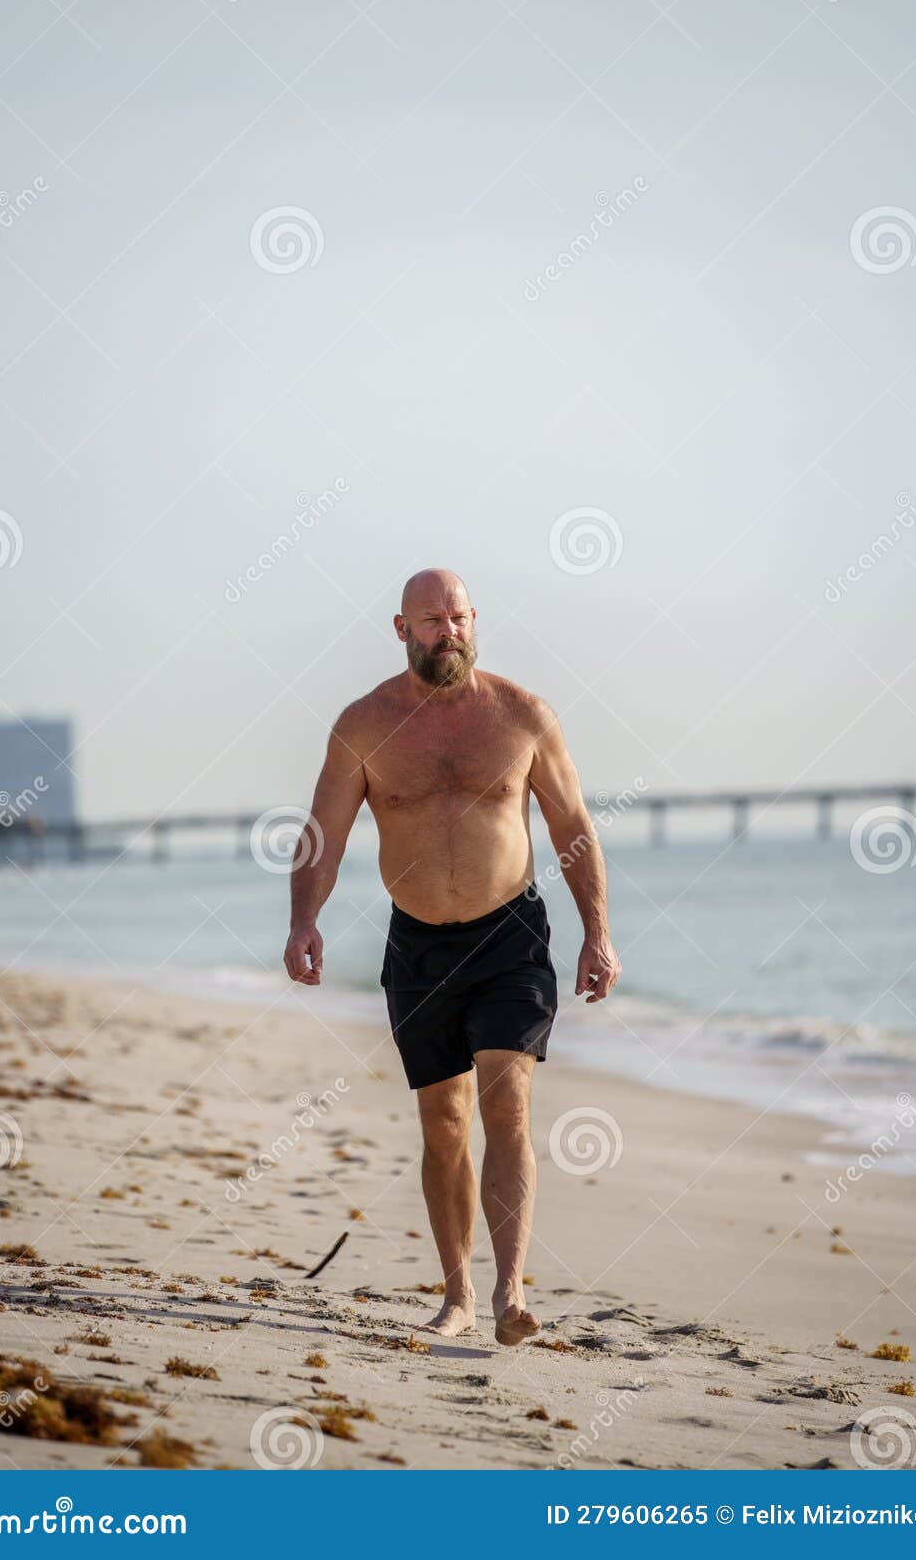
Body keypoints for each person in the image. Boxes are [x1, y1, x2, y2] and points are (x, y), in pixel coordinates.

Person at [283, 568, 620, 1344]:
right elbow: (322, 837)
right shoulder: (362, 726)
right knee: (442, 1122)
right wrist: (304, 921)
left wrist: (596, 932)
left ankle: (509, 1294)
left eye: (460, 618)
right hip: (419, 944)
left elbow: (572, 829)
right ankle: (457, 1295)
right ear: (401, 629)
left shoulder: (523, 717)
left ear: (477, 621)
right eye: (432, 620)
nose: (450, 632)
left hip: (511, 936)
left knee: (506, 1103)